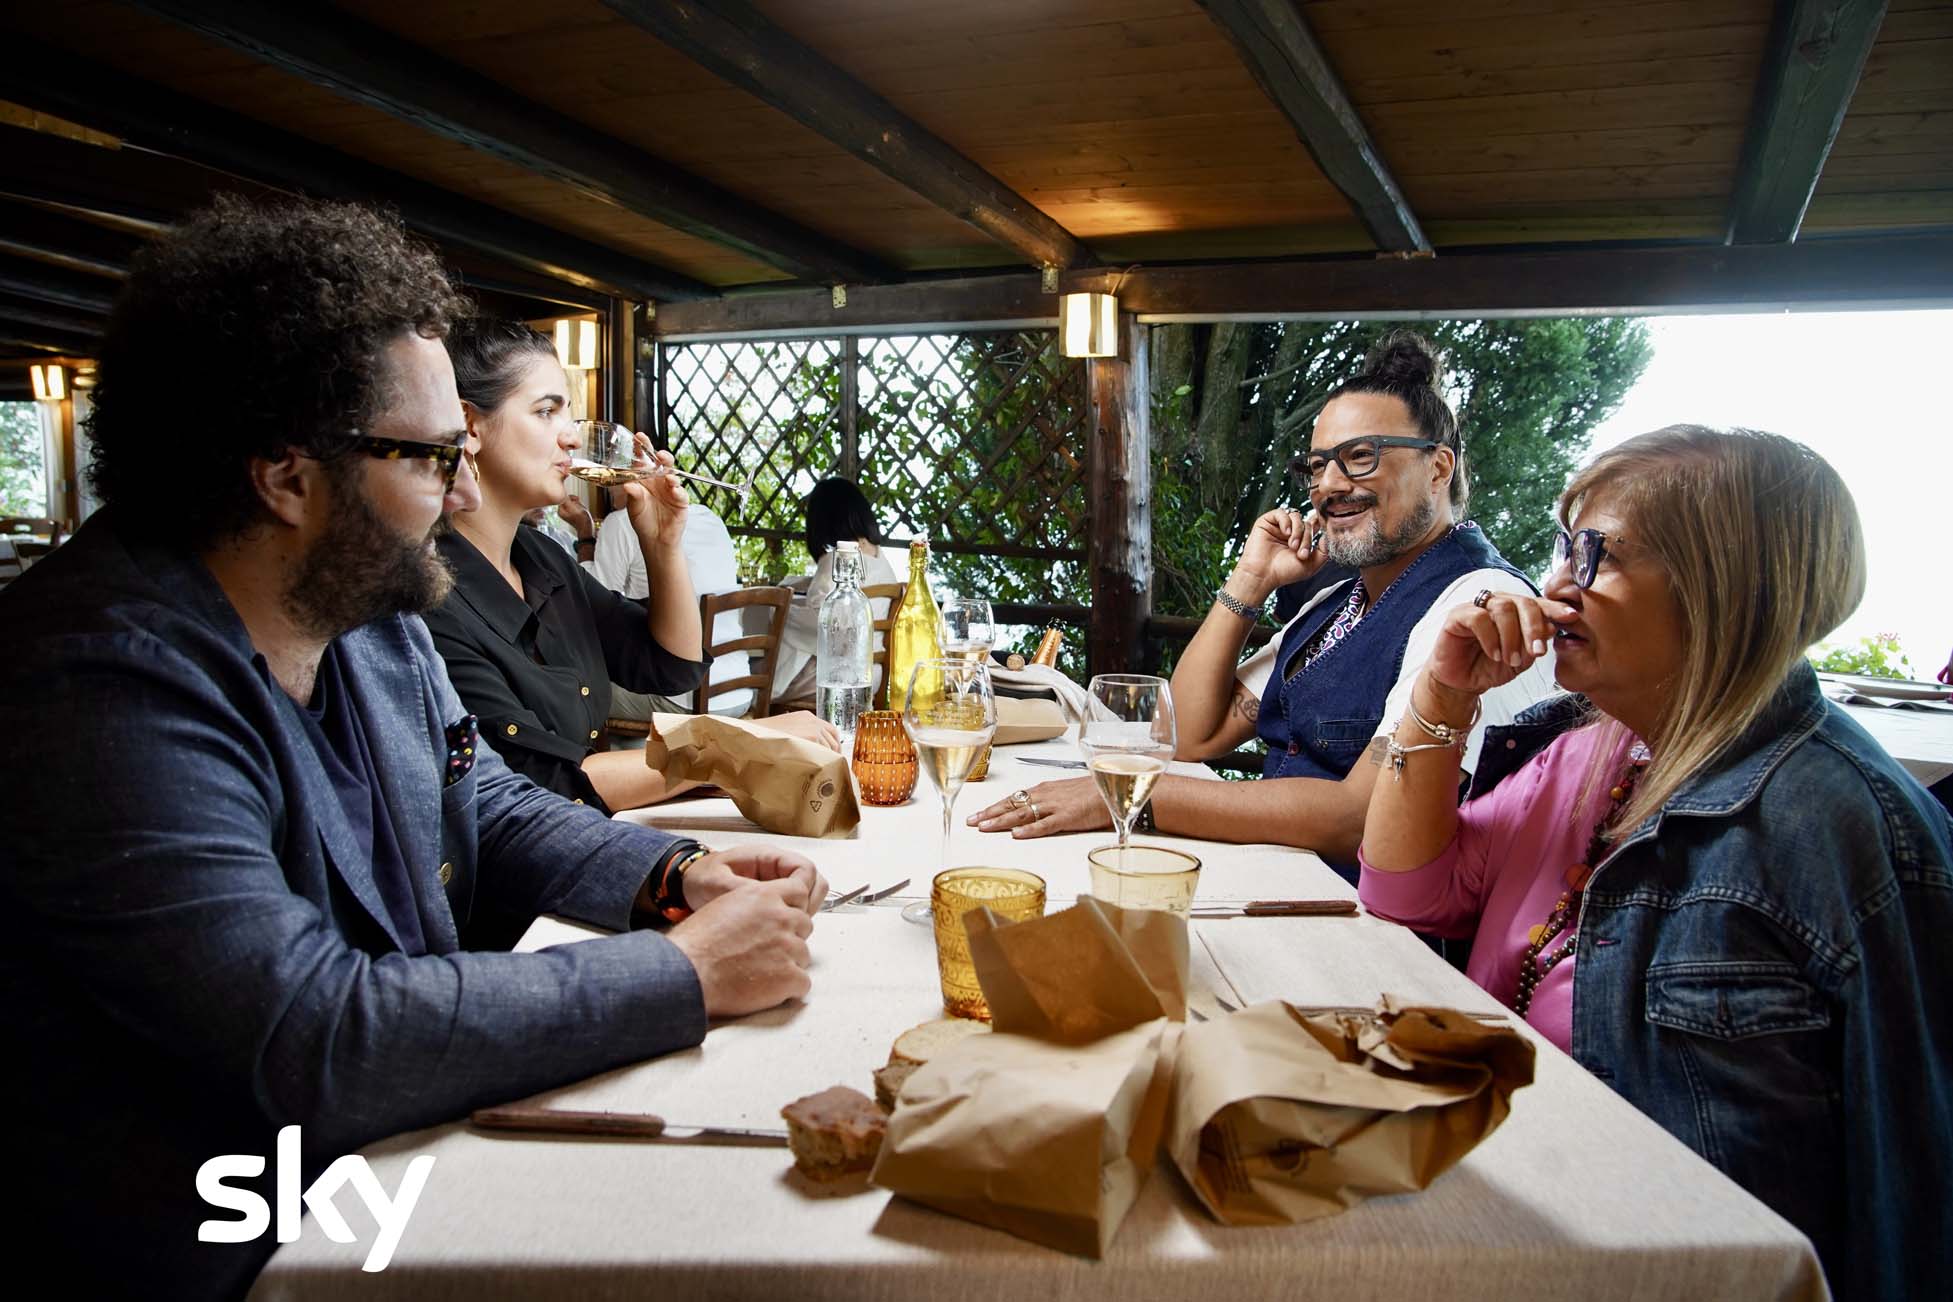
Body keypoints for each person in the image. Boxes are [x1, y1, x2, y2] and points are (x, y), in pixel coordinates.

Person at [0, 197, 826, 1300]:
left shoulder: (365, 615)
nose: (468, 485)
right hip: (211, 1245)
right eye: (436, 454)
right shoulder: (95, 681)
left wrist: (674, 876)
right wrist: (684, 971)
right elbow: (314, 1035)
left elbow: (482, 798)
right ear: (286, 474)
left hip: (382, 1160)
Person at [1358, 426, 1950, 1300]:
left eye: (1596, 555)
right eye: (1564, 548)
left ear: (1725, 591)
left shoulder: (1838, 828)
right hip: (1513, 1214)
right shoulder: (1594, 755)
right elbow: (1405, 892)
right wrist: (1439, 697)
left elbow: (1912, 1194)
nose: (1555, 585)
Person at [972, 332, 1554, 874]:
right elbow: (1189, 734)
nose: (1328, 485)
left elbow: (1364, 815)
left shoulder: (1481, 605)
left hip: (1377, 933)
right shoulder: (1340, 598)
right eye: (1318, 466)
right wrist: (1251, 581)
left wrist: (1140, 795)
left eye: (1361, 457)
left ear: (1438, 467)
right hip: (1278, 882)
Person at [427, 320, 832, 815]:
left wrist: (662, 545)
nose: (571, 438)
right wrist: (742, 740)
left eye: (569, 415)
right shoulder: (430, 596)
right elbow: (540, 779)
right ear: (470, 427)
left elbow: (672, 667)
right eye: (546, 411)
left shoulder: (543, 559)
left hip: (589, 837)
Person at [584, 486, 754, 717]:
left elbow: (594, 603)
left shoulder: (621, 522)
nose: (607, 491)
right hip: (739, 691)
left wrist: (584, 535)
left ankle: (632, 750)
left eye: (611, 483)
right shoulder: (709, 517)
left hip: (681, 697)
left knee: (579, 692)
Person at [771, 477, 900, 703]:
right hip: (872, 676)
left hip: (831, 680)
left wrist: (776, 610)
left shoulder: (835, 560)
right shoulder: (881, 559)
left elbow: (820, 623)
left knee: (757, 676)